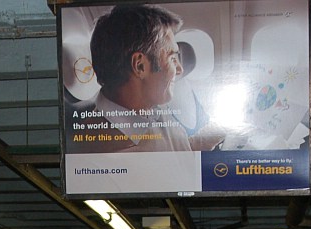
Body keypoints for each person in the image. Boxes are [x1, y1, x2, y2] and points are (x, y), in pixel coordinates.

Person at [67, 4, 224, 154]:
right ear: (140, 66)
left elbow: (179, 152)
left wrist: (210, 135)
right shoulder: (102, 151)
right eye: (172, 58)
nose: (180, 70)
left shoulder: (151, 109)